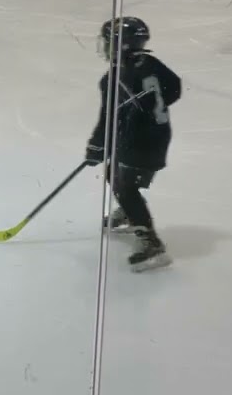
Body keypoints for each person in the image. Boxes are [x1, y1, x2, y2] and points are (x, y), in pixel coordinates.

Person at [87, 16, 181, 272]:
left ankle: (152, 244)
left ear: (121, 45)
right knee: (115, 175)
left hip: (138, 142)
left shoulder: (113, 79)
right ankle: (131, 212)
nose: (105, 48)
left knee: (124, 186)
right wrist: (151, 108)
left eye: (108, 42)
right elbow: (175, 87)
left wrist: (96, 147)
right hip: (157, 136)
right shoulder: (150, 63)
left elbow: (107, 120)